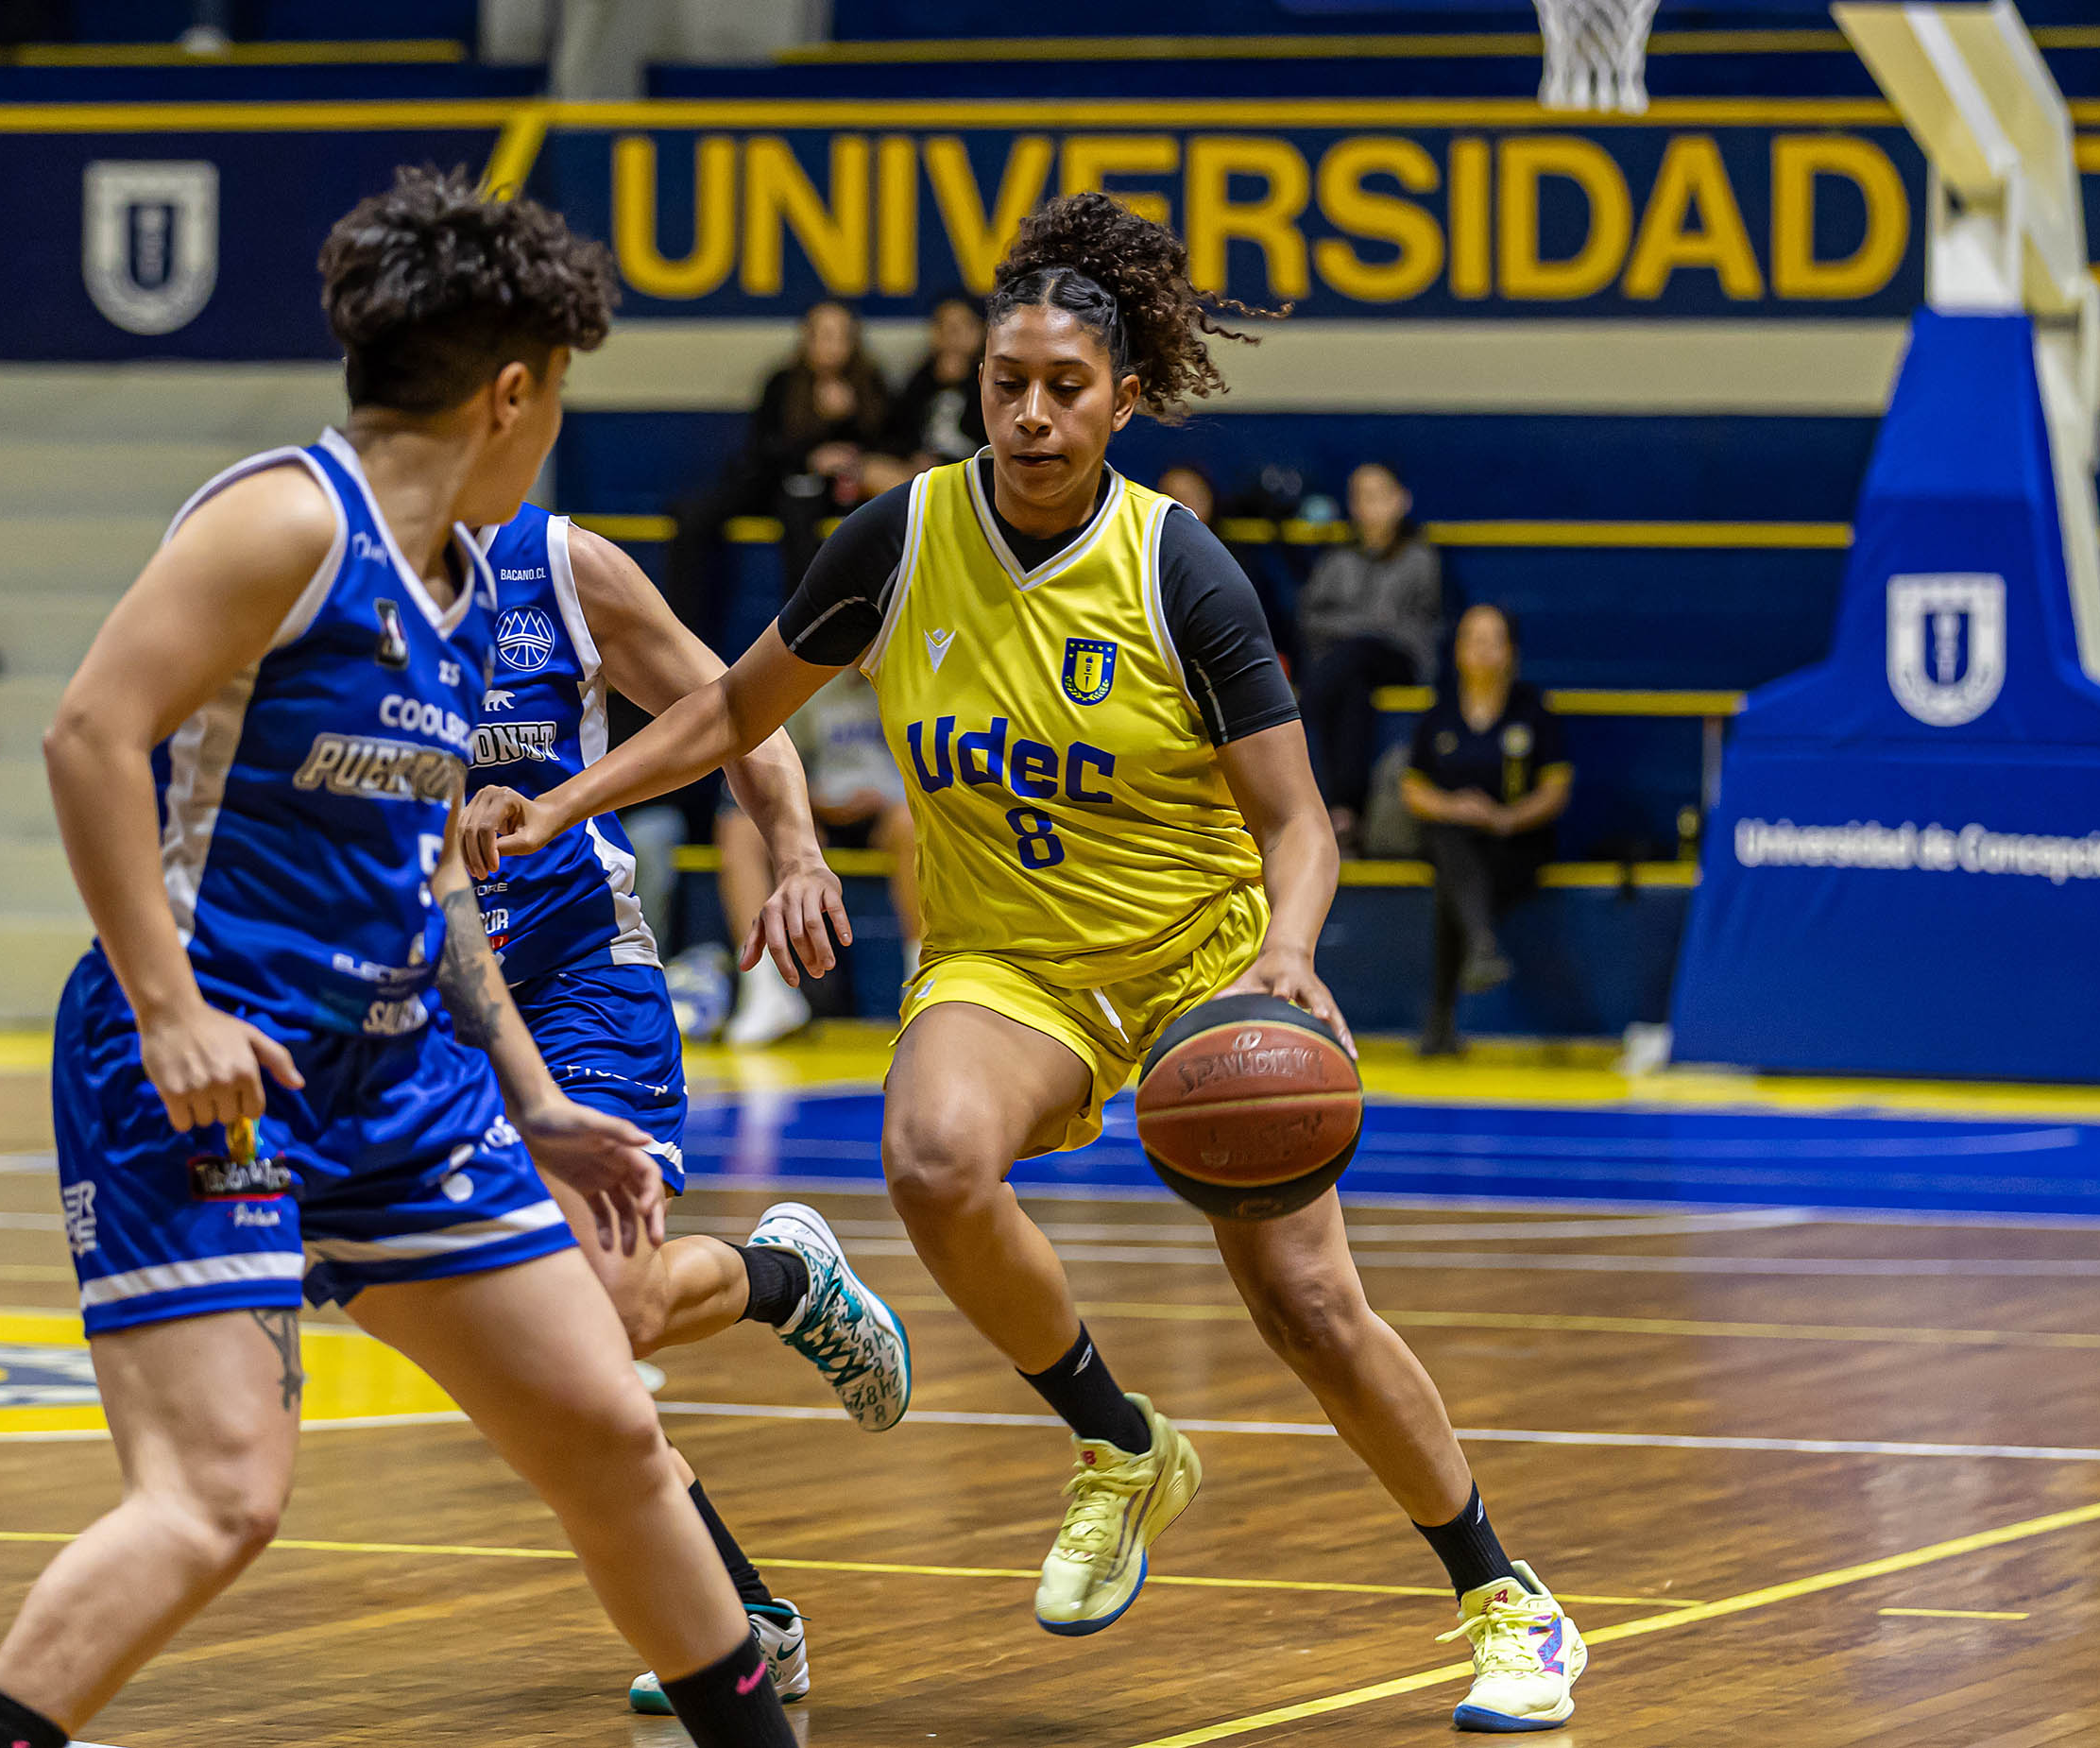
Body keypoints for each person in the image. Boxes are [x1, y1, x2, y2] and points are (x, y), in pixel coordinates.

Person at [466, 191, 1589, 1734]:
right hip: (1011, 963)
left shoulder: (1178, 569)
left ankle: (1502, 1596)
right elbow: (731, 712)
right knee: (930, 1159)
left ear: (1125, 399)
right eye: (1009, 381)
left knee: (1305, 1304)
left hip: (1201, 958)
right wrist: (562, 805)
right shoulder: (904, 535)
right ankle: (1120, 1444)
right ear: (976, 388)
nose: (1035, 410)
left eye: (1068, 385)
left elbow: (1299, 817)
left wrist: (1289, 951)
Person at [0, 170, 802, 1748]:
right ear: (515, 392)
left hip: (402, 1080)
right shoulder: (284, 518)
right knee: (219, 1501)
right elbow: (86, 734)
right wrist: (169, 1006)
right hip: (216, 1071)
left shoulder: (474, 585)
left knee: (606, 1424)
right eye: (556, 403)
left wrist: (535, 1095)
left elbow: (427, 878)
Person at [466, 503, 914, 1713]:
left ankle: (783, 1280)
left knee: (601, 1313)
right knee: (544, 1368)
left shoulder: (559, 565)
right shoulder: (325, 574)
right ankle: (748, 1612)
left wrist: (799, 852)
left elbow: (738, 711)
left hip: (573, 981)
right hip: (429, 1001)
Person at [715, 667, 923, 1047]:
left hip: (892, 811)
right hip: (822, 812)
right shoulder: (811, 679)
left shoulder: (913, 675)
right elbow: (781, 762)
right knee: (738, 828)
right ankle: (764, 991)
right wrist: (808, 810)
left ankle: (922, 987)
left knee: (909, 823)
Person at [1400, 605, 1573, 1057]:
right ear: (1458, 650)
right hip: (1455, 840)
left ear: (1511, 652)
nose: (1483, 649)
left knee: (1453, 880)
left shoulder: (1533, 711)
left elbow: (1557, 788)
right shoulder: (1440, 715)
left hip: (1515, 843)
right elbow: (1413, 789)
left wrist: (1506, 818)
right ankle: (1481, 946)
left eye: (1494, 639)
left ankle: (1441, 1017)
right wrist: (1457, 807)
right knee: (1449, 845)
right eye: (1473, 639)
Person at [663, 300, 889, 646]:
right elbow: (763, 449)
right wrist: (811, 454)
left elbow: (884, 450)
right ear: (806, 339)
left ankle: (806, 642)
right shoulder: (783, 382)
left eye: (839, 336)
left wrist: (845, 420)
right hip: (768, 482)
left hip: (825, 498)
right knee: (692, 516)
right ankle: (679, 636)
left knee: (802, 518)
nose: (830, 345)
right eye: (822, 335)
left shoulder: (869, 386)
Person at [1299, 462, 1443, 849]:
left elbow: (1408, 631)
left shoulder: (1421, 559)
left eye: (1379, 495)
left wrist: (1355, 627)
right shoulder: (1337, 560)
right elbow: (1310, 621)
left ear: (1401, 501)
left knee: (1355, 656)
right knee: (1353, 687)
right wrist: (1368, 625)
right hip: (1348, 671)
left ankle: (1306, 702)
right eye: (1360, 497)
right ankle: (1346, 809)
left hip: (1401, 661)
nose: (1369, 506)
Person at [861, 294, 988, 497]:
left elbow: (994, 439)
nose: (951, 335)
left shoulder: (994, 378)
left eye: (960, 326)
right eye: (943, 326)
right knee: (872, 470)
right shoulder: (922, 379)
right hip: (922, 473)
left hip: (973, 473)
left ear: (980, 331)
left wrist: (965, 381)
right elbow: (894, 433)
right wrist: (913, 455)